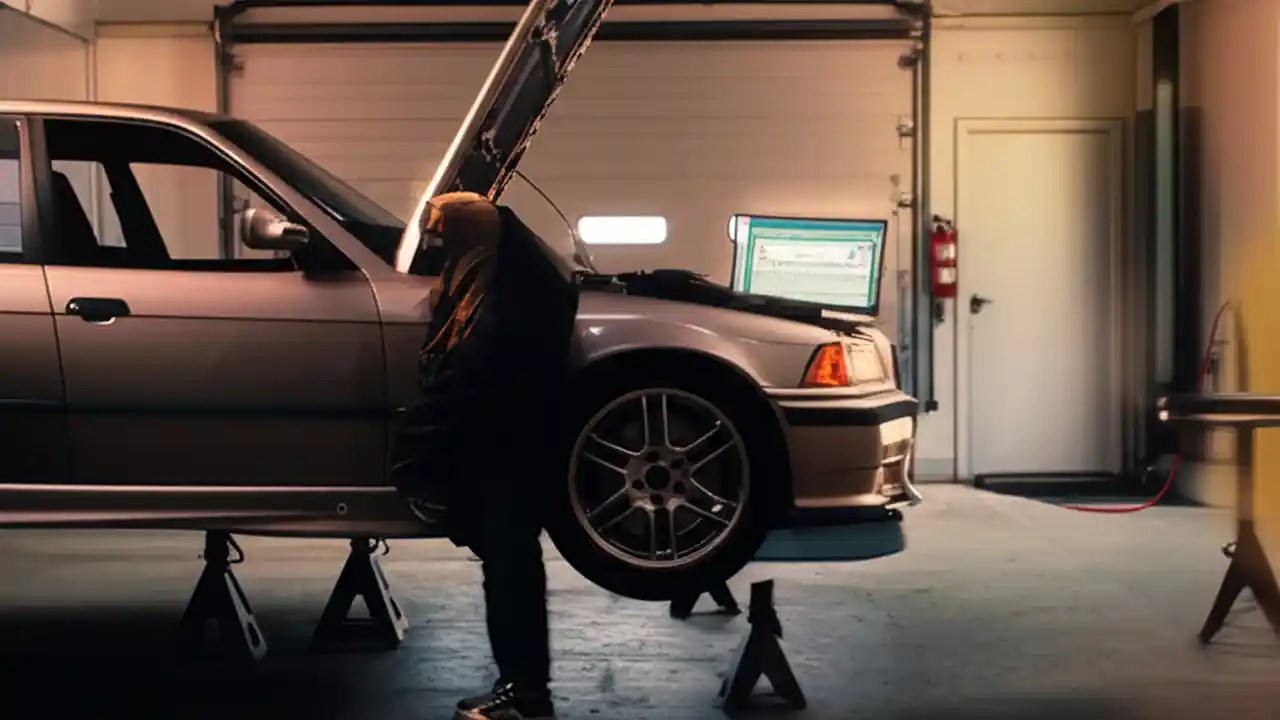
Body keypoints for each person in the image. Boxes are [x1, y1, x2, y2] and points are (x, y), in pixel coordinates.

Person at [391, 191, 579, 720]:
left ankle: (523, 695)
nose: (432, 245)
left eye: (440, 233)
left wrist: (417, 433)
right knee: (507, 567)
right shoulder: (502, 275)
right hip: (506, 449)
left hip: (508, 454)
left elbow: (478, 370)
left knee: (510, 569)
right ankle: (520, 689)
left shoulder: (506, 293)